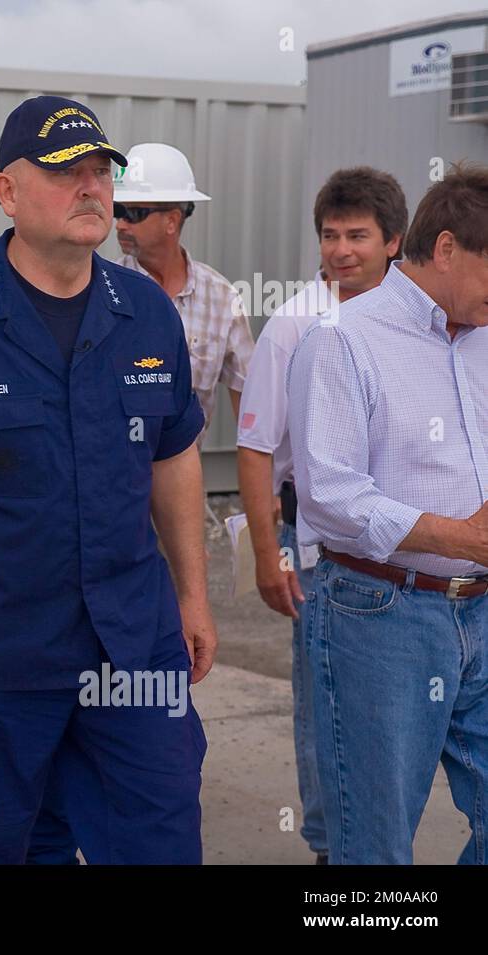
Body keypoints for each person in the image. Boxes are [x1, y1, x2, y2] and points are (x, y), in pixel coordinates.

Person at [0, 96, 215, 865]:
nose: (92, 187)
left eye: (101, 171)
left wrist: (192, 595)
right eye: (66, 172)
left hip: (132, 648)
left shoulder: (147, 314)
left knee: (163, 840)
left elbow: (173, 455)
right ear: (6, 192)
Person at [287, 163, 488, 865]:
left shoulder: (486, 334)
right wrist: (462, 535)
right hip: (381, 614)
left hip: (481, 610)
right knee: (374, 850)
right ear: (446, 250)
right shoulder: (344, 338)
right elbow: (331, 497)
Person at [235, 167, 407, 864]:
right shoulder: (295, 323)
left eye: (358, 235)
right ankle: (329, 848)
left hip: (411, 554)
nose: (341, 250)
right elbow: (253, 450)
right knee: (326, 710)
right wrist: (268, 554)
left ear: (394, 240)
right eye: (331, 235)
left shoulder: (421, 318)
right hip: (317, 551)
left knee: (393, 716)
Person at [114, 142, 254, 447]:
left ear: (172, 220)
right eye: (117, 210)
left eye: (133, 213)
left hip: (185, 482)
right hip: (113, 484)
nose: (120, 224)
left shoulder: (221, 299)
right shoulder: (100, 290)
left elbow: (250, 406)